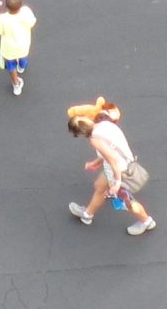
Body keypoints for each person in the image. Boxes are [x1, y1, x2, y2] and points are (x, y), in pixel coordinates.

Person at [66, 97, 155, 236]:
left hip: (119, 172)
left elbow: (112, 158)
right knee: (100, 187)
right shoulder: (105, 124)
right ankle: (88, 214)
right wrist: (95, 163)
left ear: (81, 132)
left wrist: (117, 183)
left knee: (128, 202)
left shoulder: (95, 139)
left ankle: (146, 221)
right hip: (116, 168)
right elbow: (109, 152)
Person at [0, 0, 36, 96]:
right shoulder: (26, 11)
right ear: (20, 5)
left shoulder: (3, 18)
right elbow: (32, 22)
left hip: (9, 49)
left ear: (6, 7)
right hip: (23, 45)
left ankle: (16, 84)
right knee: (23, 57)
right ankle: (21, 66)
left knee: (11, 66)